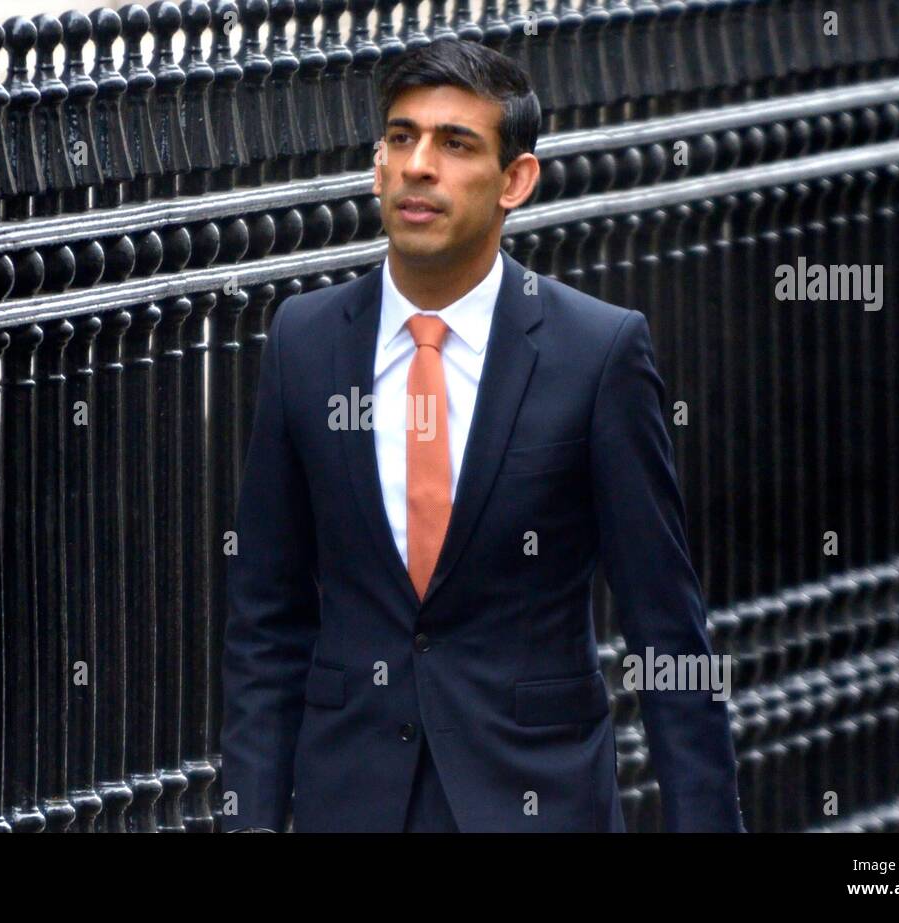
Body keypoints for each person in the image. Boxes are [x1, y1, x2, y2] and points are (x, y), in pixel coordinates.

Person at [219, 39, 745, 832]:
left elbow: (666, 627)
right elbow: (267, 622)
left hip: (537, 803)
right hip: (352, 802)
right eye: (401, 138)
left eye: (455, 143)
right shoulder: (306, 340)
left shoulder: (596, 353)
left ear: (516, 181)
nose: (418, 166)